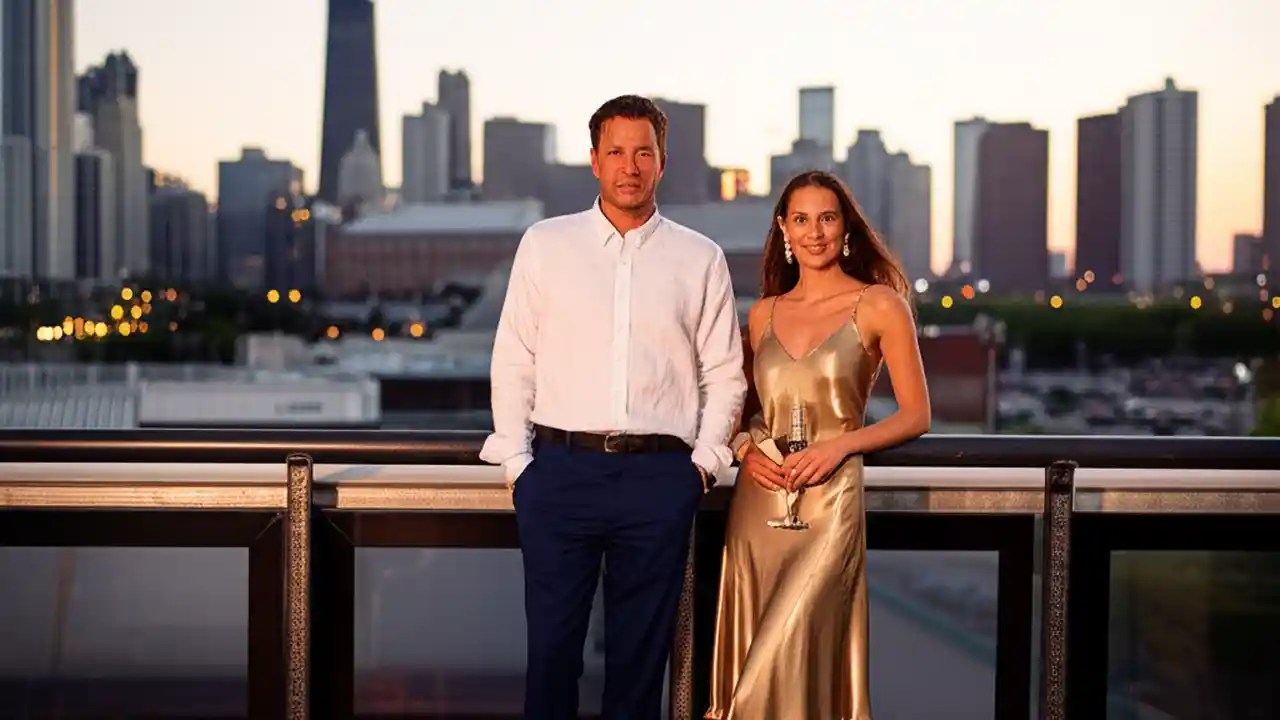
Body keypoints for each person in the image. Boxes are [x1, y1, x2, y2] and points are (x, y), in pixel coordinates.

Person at [480, 94, 747, 720]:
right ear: (595, 161)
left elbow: (723, 373)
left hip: (660, 479)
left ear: (663, 162)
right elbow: (514, 357)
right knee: (551, 659)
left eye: (643, 153)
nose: (630, 166)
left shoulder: (700, 257)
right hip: (558, 474)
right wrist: (519, 465)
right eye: (617, 152)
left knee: (638, 668)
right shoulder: (546, 244)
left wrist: (703, 465)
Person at [704, 170, 931, 720]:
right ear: (783, 229)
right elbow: (740, 413)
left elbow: (917, 415)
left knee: (785, 655)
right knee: (757, 653)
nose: (815, 232)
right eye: (801, 220)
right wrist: (744, 450)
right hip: (759, 506)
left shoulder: (879, 305)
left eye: (827, 218)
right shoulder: (763, 313)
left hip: (830, 506)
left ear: (845, 227)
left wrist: (841, 447)